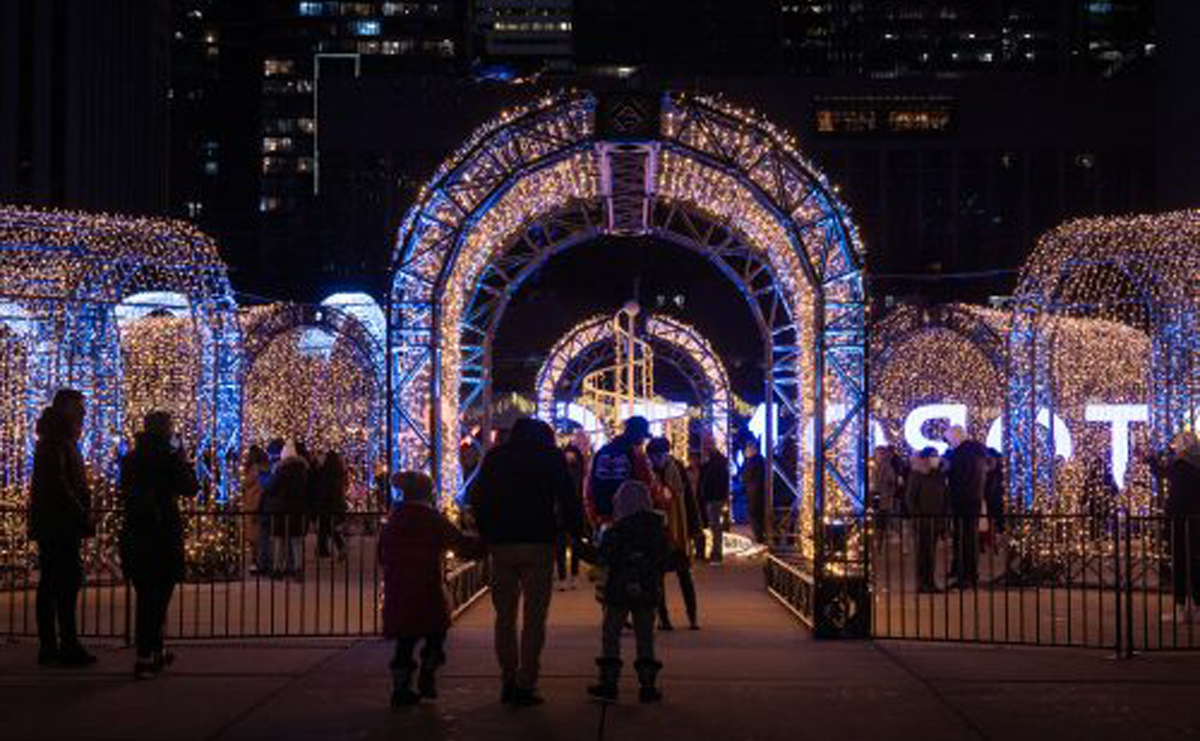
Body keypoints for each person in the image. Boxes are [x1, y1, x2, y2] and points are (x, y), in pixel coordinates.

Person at [470, 417, 583, 707]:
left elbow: (479, 497)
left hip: (503, 544)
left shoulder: (496, 457)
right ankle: (526, 681)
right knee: (535, 618)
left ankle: (507, 679)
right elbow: (568, 497)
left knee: (504, 618)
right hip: (538, 542)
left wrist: (487, 533)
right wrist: (577, 533)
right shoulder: (550, 456)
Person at [380, 471, 483, 707]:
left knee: (404, 643)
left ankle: (401, 688)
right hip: (427, 587)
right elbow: (461, 545)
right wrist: (484, 544)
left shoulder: (393, 520)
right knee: (435, 634)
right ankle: (428, 670)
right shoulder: (432, 519)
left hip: (399, 589)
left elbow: (381, 554)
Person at [119, 412, 195, 678]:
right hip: (163, 533)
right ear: (166, 430)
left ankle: (156, 651)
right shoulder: (169, 459)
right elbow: (190, 487)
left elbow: (125, 491)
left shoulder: (130, 459)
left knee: (147, 596)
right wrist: (182, 460)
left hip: (136, 533)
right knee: (158, 598)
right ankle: (145, 655)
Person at [28, 389, 96, 668]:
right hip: (59, 524)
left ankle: (56, 645)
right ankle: (63, 644)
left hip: (57, 522)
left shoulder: (59, 439)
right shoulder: (55, 442)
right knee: (63, 584)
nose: (84, 413)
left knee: (55, 584)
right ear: (66, 407)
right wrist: (80, 513)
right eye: (79, 408)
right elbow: (57, 484)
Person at [586, 480, 669, 703]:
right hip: (647, 589)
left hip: (618, 589)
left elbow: (603, 556)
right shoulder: (656, 529)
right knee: (645, 636)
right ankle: (647, 684)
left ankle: (609, 682)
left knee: (611, 633)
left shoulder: (616, 530)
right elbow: (664, 558)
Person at [647, 437, 699, 630]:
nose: (654, 460)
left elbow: (689, 502)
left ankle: (692, 617)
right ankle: (664, 619)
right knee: (658, 576)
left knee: (684, 574)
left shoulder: (676, 469)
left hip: (678, 530)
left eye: (657, 456)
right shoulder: (649, 471)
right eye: (652, 456)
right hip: (658, 531)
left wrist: (694, 528)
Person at [1150, 432, 1200, 620]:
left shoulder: (1181, 465)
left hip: (1179, 521)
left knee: (1180, 563)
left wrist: (1152, 462)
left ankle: (1181, 607)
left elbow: (1163, 474)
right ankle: (1196, 605)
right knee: (1195, 563)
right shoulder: (1196, 465)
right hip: (1196, 520)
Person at [587, 416, 657, 527]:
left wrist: (594, 516)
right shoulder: (636, 456)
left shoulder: (601, 452)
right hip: (629, 517)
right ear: (639, 435)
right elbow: (646, 485)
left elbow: (589, 485)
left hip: (603, 515)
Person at [944, 426, 988, 589]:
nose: (948, 444)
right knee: (968, 538)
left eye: (949, 440)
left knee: (964, 539)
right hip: (972, 499)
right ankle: (967, 572)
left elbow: (960, 477)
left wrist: (948, 473)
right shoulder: (976, 453)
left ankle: (965, 575)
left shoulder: (963, 455)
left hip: (963, 500)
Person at [904, 447, 949, 593]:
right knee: (923, 554)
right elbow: (910, 498)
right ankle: (922, 583)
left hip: (935, 520)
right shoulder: (917, 474)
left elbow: (943, 497)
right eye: (932, 456)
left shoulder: (938, 475)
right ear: (925, 458)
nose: (935, 458)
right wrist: (918, 517)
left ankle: (930, 582)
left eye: (936, 456)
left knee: (931, 554)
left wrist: (943, 520)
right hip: (923, 520)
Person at [265, 441, 309, 579]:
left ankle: (277, 568)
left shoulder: (279, 470)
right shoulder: (303, 470)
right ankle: (298, 569)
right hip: (298, 508)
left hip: (281, 508)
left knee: (279, 540)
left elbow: (271, 487)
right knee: (296, 541)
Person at [556, 443, 587, 590]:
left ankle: (567, 577)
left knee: (566, 545)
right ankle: (570, 576)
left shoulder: (562, 472)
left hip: (565, 512)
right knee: (572, 544)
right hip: (573, 511)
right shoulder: (578, 471)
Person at [698, 433, 731, 563]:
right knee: (714, 526)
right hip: (714, 496)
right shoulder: (716, 460)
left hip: (714, 497)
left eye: (706, 443)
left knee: (715, 526)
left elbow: (714, 480)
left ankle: (716, 553)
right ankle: (715, 552)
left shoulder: (716, 461)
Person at [241, 446, 271, 574]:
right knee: (262, 537)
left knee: (254, 538)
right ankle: (262, 562)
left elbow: (246, 483)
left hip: (253, 504)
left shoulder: (254, 470)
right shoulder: (267, 469)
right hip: (260, 504)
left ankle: (257, 563)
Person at [314, 451, 348, 559]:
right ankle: (323, 549)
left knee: (326, 527)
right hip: (337, 504)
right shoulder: (340, 472)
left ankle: (332, 547)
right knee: (327, 527)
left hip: (326, 504)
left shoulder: (324, 472)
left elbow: (322, 489)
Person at [742, 439, 767, 544]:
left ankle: (759, 537)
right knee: (756, 515)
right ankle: (759, 536)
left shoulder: (753, 461)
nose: (745, 452)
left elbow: (748, 476)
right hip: (755, 492)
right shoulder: (758, 460)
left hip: (755, 493)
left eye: (747, 449)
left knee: (755, 515)